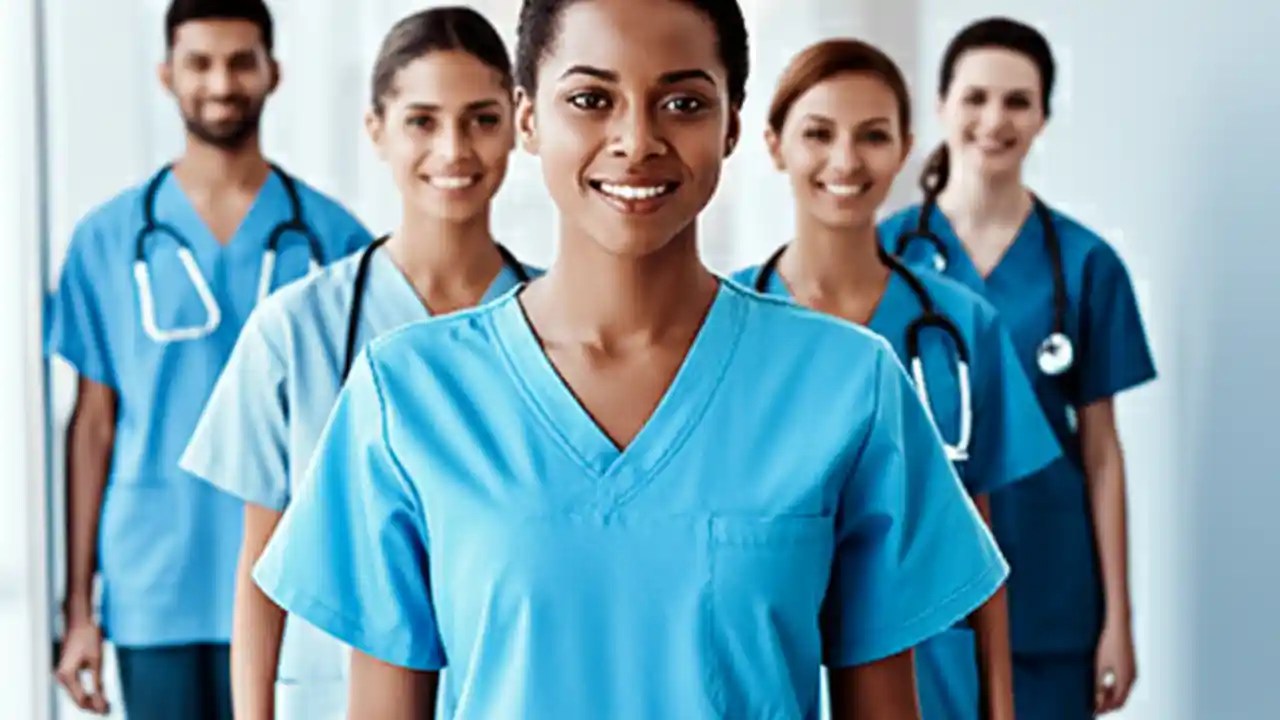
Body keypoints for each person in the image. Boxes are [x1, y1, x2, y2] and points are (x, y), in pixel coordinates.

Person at [254, 0, 1007, 717]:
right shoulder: (408, 394)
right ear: (527, 118)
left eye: (683, 103)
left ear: (733, 125)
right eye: (590, 100)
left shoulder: (849, 386)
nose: (637, 139)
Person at [178, 7, 541, 720]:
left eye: (481, 118)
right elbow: (262, 569)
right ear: (375, 129)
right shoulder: (298, 329)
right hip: (333, 698)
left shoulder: (558, 326)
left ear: (520, 124)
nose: (454, 148)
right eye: (421, 120)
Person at [46, 1, 372, 717]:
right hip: (153, 581)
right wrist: (78, 610)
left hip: (293, 578)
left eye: (239, 61)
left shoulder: (335, 240)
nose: (220, 82)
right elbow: (92, 427)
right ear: (167, 74)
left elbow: (362, 434)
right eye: (200, 62)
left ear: (272, 73)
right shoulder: (107, 239)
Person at [732, 38, 1062, 720]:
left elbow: (983, 537)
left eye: (873, 136)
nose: (846, 161)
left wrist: (999, 704)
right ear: (773, 144)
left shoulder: (962, 322)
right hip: (775, 671)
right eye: (818, 134)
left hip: (935, 678)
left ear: (905, 148)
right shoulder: (722, 323)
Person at [879, 17, 1157, 719]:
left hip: (1051, 597)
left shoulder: (1086, 264)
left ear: (1041, 118)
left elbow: (1101, 454)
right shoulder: (883, 255)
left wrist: (1118, 621)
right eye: (975, 98)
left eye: (1016, 101)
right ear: (941, 105)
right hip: (919, 590)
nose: (993, 120)